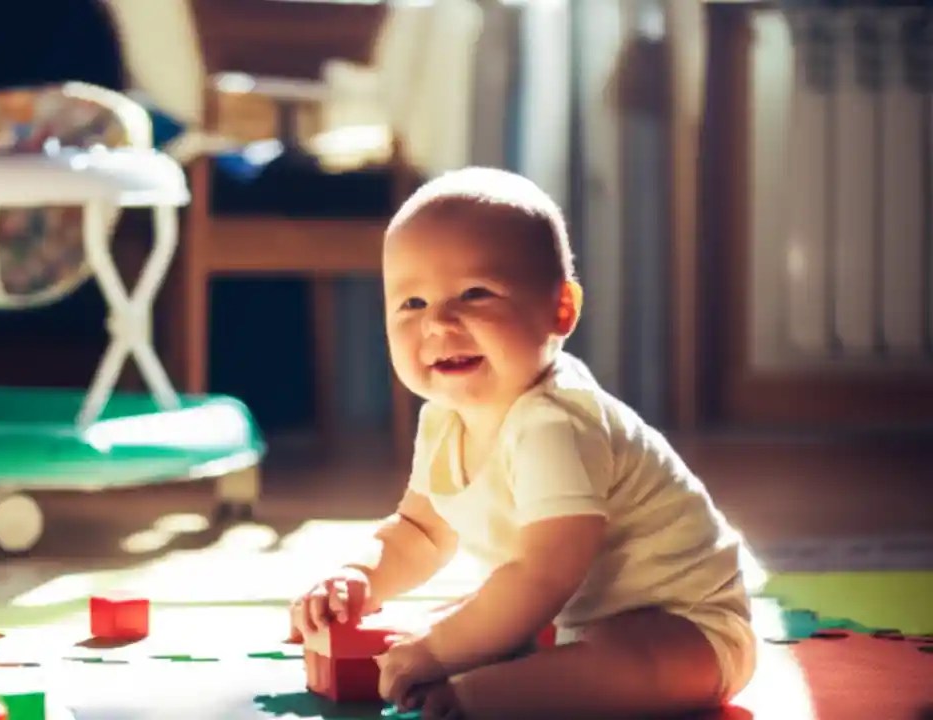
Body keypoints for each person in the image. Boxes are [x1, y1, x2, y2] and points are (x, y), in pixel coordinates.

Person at [288, 168, 758, 719]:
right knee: (477, 623)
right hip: (566, 616)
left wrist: (441, 649)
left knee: (611, 661)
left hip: (688, 626)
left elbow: (546, 572)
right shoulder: (444, 419)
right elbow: (418, 531)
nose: (439, 323)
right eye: (411, 303)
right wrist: (359, 577)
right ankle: (497, 678)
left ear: (561, 310)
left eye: (475, 294)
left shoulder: (555, 424)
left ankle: (479, 702)